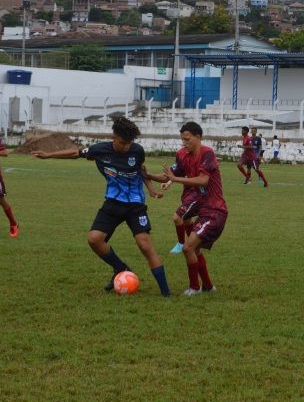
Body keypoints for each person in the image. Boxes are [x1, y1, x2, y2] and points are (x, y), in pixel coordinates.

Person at [31, 117, 171, 297]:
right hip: (112, 203)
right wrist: (49, 155)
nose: (127, 147)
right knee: (94, 239)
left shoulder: (137, 151)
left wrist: (151, 189)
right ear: (114, 137)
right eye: (122, 143)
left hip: (135, 205)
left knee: (145, 246)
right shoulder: (100, 150)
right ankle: (121, 268)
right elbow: (76, 153)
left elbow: (141, 170)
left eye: (129, 143)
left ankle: (166, 293)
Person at [145, 122, 228, 296]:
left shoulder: (207, 153)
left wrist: (175, 179)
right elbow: (169, 176)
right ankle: (207, 286)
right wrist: (148, 175)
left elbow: (203, 180)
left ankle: (194, 288)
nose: (184, 143)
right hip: (204, 210)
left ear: (198, 137)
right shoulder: (183, 155)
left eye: (187, 139)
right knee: (193, 249)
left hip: (215, 211)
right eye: (182, 139)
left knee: (188, 248)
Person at [160, 176, 201, 256]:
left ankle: (181, 244)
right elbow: (179, 171)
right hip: (187, 194)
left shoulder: (201, 164)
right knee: (187, 219)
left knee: (177, 217)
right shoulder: (184, 163)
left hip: (196, 195)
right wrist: (168, 183)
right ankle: (193, 244)